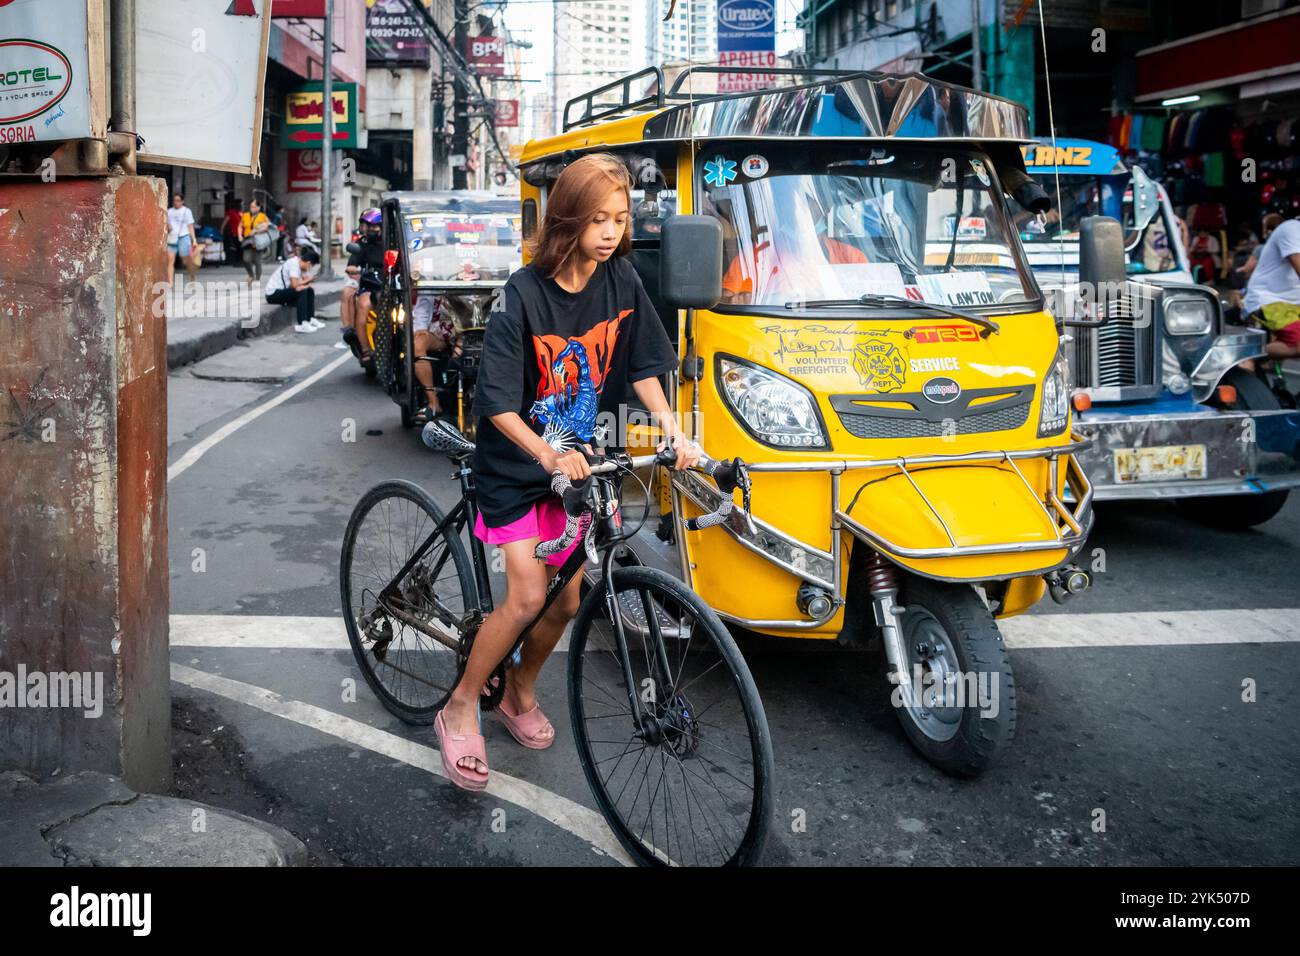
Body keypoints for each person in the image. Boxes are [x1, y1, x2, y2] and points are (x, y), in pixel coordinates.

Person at [434, 153, 696, 791]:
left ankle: (519, 690)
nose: (611, 231)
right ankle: (461, 703)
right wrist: (546, 453)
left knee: (568, 600)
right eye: (598, 219)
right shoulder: (522, 294)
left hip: (580, 468)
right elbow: (496, 403)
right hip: (517, 467)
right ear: (569, 220)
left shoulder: (623, 280)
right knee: (526, 596)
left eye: (621, 218)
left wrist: (671, 427)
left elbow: (640, 366)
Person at [1243, 214, 1300, 360]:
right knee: (1297, 345)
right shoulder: (1291, 229)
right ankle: (1244, 357)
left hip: (1294, 304)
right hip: (1270, 302)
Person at [343, 208, 386, 369]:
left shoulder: (395, 242)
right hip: (370, 286)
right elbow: (352, 262)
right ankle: (366, 350)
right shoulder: (362, 244)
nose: (371, 229)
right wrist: (353, 268)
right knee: (362, 305)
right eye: (368, 226)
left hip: (393, 287)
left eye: (374, 226)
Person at [264, 246, 323, 333]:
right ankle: (302, 324)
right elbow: (295, 285)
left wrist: (307, 282)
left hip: (284, 292)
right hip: (272, 294)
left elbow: (302, 283)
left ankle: (311, 319)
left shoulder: (302, 266)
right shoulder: (293, 264)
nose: (310, 268)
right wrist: (308, 280)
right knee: (302, 291)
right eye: (311, 266)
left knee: (309, 290)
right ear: (309, 263)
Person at [165, 192, 197, 287]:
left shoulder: (187, 211)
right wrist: (168, 226)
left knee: (186, 260)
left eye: (178, 200)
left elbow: (190, 226)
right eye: (175, 200)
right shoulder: (169, 211)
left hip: (184, 236)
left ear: (182, 201)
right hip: (172, 237)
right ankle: (170, 282)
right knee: (170, 260)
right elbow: (165, 223)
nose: (176, 202)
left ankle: (192, 276)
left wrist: (194, 239)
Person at [239, 199, 272, 282]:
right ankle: (251, 275)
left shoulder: (263, 216)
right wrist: (240, 235)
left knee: (257, 261)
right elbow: (240, 226)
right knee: (246, 259)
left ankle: (257, 279)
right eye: (251, 207)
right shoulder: (245, 215)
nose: (251, 208)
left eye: (253, 207)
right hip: (247, 240)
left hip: (258, 241)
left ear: (258, 208)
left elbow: (267, 227)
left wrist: (257, 231)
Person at [221, 200, 243, 265]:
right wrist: (221, 229)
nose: (242, 206)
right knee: (238, 247)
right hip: (235, 233)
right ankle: (237, 261)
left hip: (242, 233)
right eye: (241, 205)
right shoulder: (231, 212)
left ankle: (239, 261)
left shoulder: (240, 213)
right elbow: (225, 221)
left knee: (240, 247)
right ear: (237, 205)